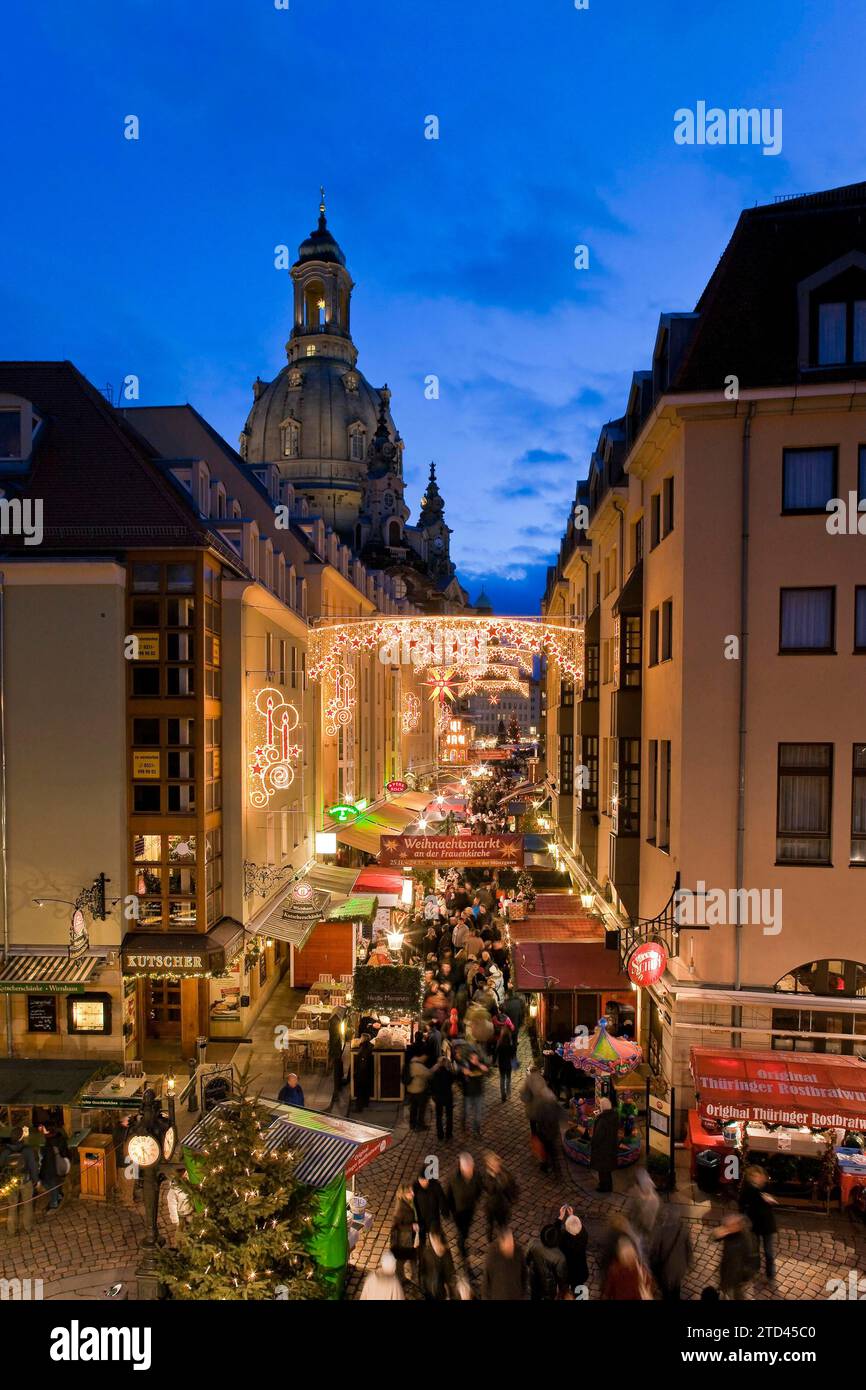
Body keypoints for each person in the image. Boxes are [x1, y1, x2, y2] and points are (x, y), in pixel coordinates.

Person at [739, 1165, 777, 1285]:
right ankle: (755, 1271)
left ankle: (770, 1275)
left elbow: (771, 1202)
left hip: (767, 1225)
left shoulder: (767, 1187)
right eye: (754, 1177)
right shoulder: (748, 1189)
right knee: (754, 1251)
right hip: (754, 1224)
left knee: (768, 1252)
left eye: (759, 1176)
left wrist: (770, 1200)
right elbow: (742, 1203)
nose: (758, 1179)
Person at [648, 1205, 693, 1300]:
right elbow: (689, 1248)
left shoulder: (661, 1231)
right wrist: (689, 1263)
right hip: (680, 1266)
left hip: (666, 1268)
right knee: (677, 1287)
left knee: (666, 1291)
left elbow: (654, 1251)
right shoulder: (683, 1229)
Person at [1, 1126, 39, 1235]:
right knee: (28, 1205)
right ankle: (28, 1228)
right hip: (25, 1181)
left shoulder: (5, 1151)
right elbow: (33, 1166)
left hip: (10, 1183)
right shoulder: (27, 1150)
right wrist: (35, 1180)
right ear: (21, 1137)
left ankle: (11, 1230)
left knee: (12, 1206)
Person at [445, 1152, 483, 1260]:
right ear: (461, 1168)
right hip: (458, 1211)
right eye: (467, 1169)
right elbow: (448, 1195)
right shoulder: (453, 1178)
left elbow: (479, 1188)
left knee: (466, 1229)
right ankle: (462, 1250)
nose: (469, 1171)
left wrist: (475, 1199)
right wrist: (449, 1210)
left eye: (471, 1168)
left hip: (470, 1208)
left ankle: (463, 1240)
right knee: (462, 1231)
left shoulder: (476, 1175)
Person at [714, 1211, 756, 1300]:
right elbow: (714, 1236)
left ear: (738, 1226)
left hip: (738, 1275)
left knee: (737, 1295)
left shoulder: (746, 1237)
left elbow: (751, 1257)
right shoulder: (730, 1233)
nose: (728, 1227)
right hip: (726, 1271)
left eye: (731, 1225)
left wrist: (746, 1275)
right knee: (724, 1292)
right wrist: (716, 1234)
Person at [602, 1233, 653, 1300]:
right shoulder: (615, 1269)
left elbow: (647, 1291)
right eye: (625, 1256)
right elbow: (609, 1289)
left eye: (629, 1256)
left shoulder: (642, 1273)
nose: (627, 1259)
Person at [482, 1227, 528, 1301]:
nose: (511, 1246)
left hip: (516, 1295)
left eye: (512, 1242)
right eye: (508, 1244)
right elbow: (486, 1280)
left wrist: (524, 1294)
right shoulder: (492, 1254)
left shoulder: (518, 1251)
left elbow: (524, 1273)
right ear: (501, 1244)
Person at [526, 1222, 569, 1300]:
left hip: (534, 1277)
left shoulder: (533, 1243)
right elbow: (561, 1277)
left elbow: (527, 1259)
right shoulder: (560, 1257)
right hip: (549, 1285)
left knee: (534, 1296)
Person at [482, 1152, 518, 1240]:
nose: (496, 1166)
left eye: (497, 1163)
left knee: (503, 1224)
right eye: (493, 1165)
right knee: (490, 1224)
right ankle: (490, 1238)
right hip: (491, 1206)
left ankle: (503, 1238)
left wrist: (513, 1196)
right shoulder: (486, 1176)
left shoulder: (505, 1172)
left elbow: (512, 1183)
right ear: (489, 1165)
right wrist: (494, 1176)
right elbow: (490, 1189)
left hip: (503, 1205)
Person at [418, 1226, 459, 1300]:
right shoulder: (427, 1253)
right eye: (431, 1240)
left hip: (440, 1292)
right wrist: (422, 1287)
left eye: (434, 1240)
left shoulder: (446, 1255)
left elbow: (450, 1275)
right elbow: (421, 1271)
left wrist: (451, 1294)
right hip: (429, 1291)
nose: (433, 1243)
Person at [412, 1167, 448, 1250]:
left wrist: (444, 1210)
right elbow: (412, 1204)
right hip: (421, 1219)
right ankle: (422, 1258)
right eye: (422, 1180)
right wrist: (414, 1220)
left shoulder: (435, 1185)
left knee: (435, 1239)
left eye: (426, 1180)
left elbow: (441, 1198)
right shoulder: (415, 1186)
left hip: (433, 1218)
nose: (424, 1182)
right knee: (421, 1241)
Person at [38, 1121, 70, 1212]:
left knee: (49, 1183)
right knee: (53, 1183)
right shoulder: (59, 1136)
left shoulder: (48, 1143)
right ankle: (58, 1195)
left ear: (47, 1130)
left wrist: (41, 1172)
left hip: (52, 1168)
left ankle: (54, 1203)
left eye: (43, 1127)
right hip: (62, 1165)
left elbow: (46, 1160)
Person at [589, 1096, 619, 1193]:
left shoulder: (602, 1120)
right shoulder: (613, 1116)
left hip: (602, 1149)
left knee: (602, 1170)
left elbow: (598, 1136)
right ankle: (608, 1186)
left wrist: (592, 1143)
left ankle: (604, 1187)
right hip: (610, 1147)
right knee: (607, 1170)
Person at [389, 1186, 418, 1286]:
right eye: (409, 1192)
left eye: (411, 1191)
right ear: (404, 1194)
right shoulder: (400, 1209)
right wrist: (412, 1226)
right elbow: (396, 1226)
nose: (412, 1193)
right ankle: (401, 1278)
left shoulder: (409, 1203)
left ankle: (413, 1277)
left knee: (411, 1257)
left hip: (408, 1238)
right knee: (402, 1260)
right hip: (402, 1241)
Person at [555, 1209, 589, 1292]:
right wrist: (571, 1216)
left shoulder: (563, 1240)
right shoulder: (584, 1236)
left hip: (566, 1272)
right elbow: (580, 1227)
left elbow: (555, 1233)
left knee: (564, 1290)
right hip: (579, 1272)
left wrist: (561, 1217)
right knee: (578, 1290)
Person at [460, 1049, 489, 1137]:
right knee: (466, 1112)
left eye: (477, 1058)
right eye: (474, 1058)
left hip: (478, 1093)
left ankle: (477, 1130)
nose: (476, 1060)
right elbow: (461, 1074)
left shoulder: (480, 1065)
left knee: (478, 1114)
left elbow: (486, 1070)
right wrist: (464, 1073)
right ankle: (463, 1124)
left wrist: (478, 1064)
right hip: (468, 1094)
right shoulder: (466, 1065)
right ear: (470, 1058)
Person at [429, 1054, 457, 1142]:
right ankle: (449, 1134)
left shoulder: (435, 1073)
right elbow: (453, 1080)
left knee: (439, 1116)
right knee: (449, 1116)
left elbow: (431, 1084)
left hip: (438, 1097)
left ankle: (440, 1134)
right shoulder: (450, 1073)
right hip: (448, 1096)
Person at [406, 1051, 432, 1131]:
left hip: (410, 1090)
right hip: (419, 1091)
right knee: (421, 1109)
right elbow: (429, 1074)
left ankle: (412, 1124)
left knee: (413, 1108)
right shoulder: (418, 1066)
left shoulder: (409, 1064)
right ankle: (420, 1125)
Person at [495, 1020, 516, 1102]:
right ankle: (508, 1092)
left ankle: (503, 1095)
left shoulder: (499, 1044)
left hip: (501, 1064)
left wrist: (494, 1061)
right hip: (509, 1064)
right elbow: (513, 1055)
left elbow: (496, 1053)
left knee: (502, 1078)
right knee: (508, 1078)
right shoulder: (511, 1045)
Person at [353, 1034, 374, 1113]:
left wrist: (357, 1072)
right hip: (367, 1073)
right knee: (365, 1089)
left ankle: (358, 1108)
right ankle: (365, 1103)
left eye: (361, 1038)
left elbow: (362, 1062)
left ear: (364, 1039)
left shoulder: (363, 1048)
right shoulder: (370, 1046)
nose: (360, 1039)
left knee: (359, 1091)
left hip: (362, 1073)